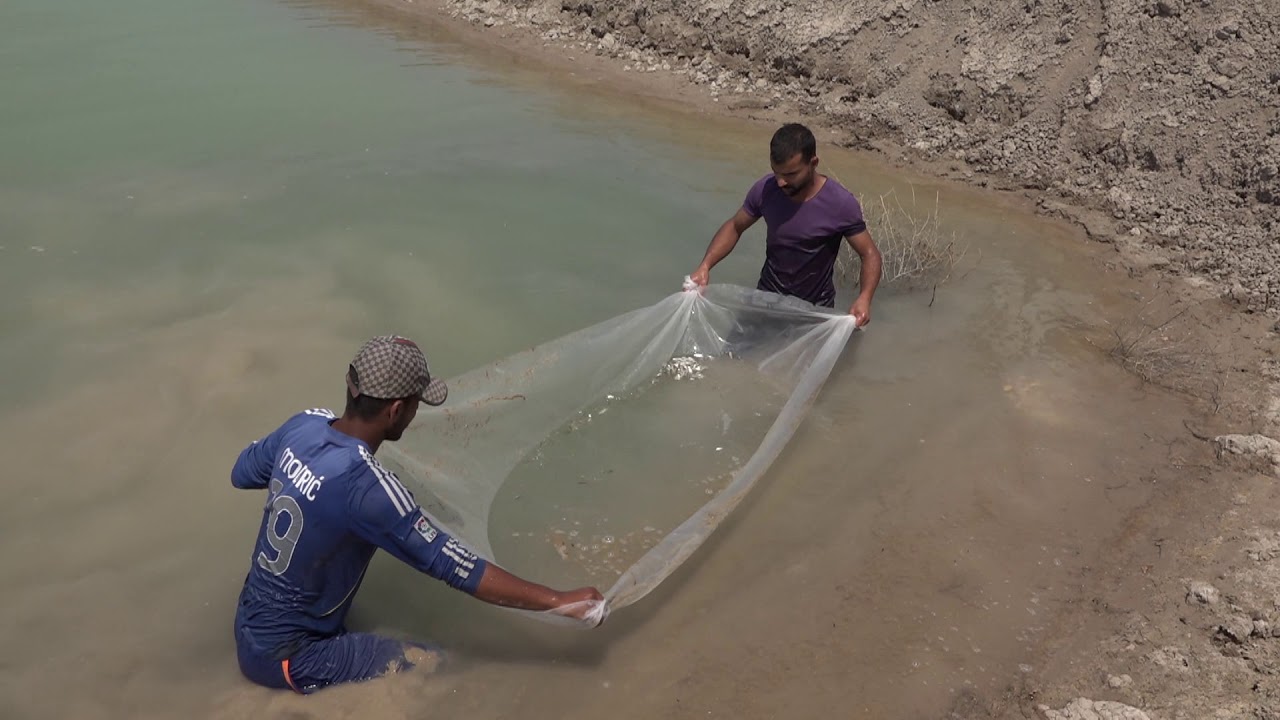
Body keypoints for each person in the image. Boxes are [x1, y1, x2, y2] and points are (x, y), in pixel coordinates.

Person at [230, 335, 604, 694]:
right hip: (294, 657)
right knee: (433, 664)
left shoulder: (304, 426)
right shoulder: (367, 488)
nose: (414, 414)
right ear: (395, 410)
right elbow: (460, 568)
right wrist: (560, 601)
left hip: (249, 627)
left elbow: (242, 473)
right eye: (415, 404)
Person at [688, 122, 883, 327]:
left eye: (790, 174)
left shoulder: (840, 203)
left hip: (814, 310)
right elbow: (736, 226)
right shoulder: (765, 190)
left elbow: (869, 253)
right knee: (739, 356)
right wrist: (705, 265)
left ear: (813, 163)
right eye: (776, 172)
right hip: (766, 299)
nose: (781, 182)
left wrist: (865, 297)